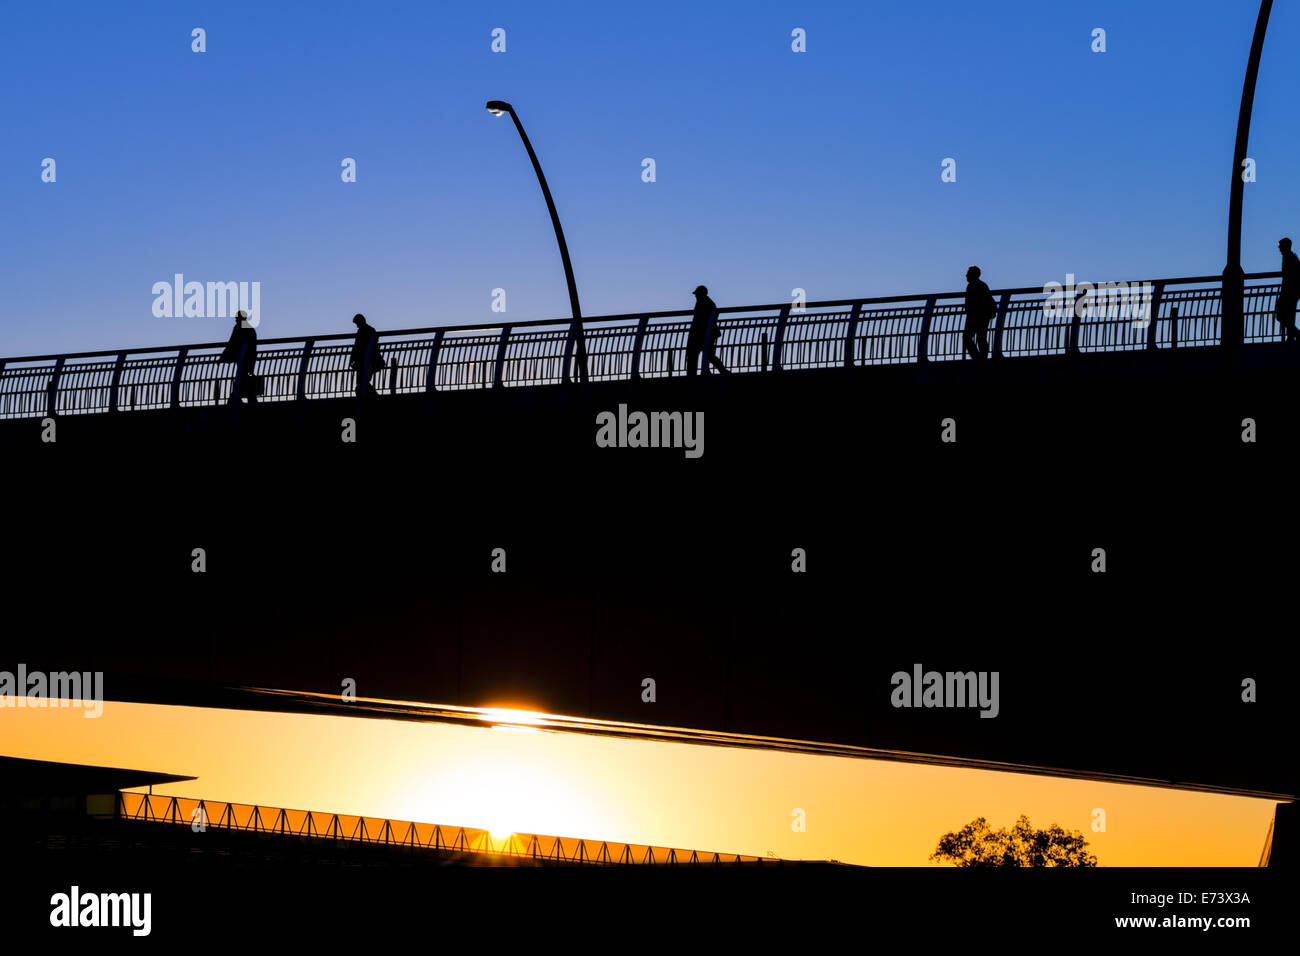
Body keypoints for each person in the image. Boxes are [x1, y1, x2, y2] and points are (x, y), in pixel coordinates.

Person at [686, 285, 728, 375]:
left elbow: (701, 319)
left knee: (696, 354)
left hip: (702, 333)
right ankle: (720, 371)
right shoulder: (707, 302)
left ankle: (693, 375)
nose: (695, 296)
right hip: (706, 332)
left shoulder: (703, 302)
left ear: (701, 294)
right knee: (708, 354)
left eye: (697, 294)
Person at [219, 311, 259, 403]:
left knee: (242, 375)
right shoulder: (250, 328)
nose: (236, 320)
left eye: (237, 318)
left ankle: (237, 396)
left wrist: (223, 356)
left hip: (242, 357)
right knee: (246, 374)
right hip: (250, 356)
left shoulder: (238, 328)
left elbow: (232, 342)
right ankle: (249, 396)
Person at [963, 266, 996, 360]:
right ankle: (981, 357)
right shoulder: (982, 285)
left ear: (972, 275)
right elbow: (989, 299)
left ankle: (977, 357)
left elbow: (971, 302)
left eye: (968, 273)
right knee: (980, 337)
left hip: (975, 315)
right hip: (982, 315)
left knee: (967, 337)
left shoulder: (973, 286)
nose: (966, 275)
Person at [349, 313, 387, 396]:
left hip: (365, 359)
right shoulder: (370, 329)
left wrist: (352, 359)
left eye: (357, 323)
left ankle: (367, 395)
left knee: (362, 381)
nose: (357, 326)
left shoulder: (363, 331)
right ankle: (369, 394)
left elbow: (357, 346)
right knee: (364, 381)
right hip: (367, 359)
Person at [1276, 238, 1300, 343]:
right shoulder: (1290, 257)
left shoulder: (1289, 258)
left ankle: (1294, 335)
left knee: (1282, 315)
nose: (1279, 248)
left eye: (1280, 246)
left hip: (1289, 291)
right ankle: (1292, 335)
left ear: (1285, 247)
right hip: (1291, 291)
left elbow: (1289, 276)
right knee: (1288, 315)